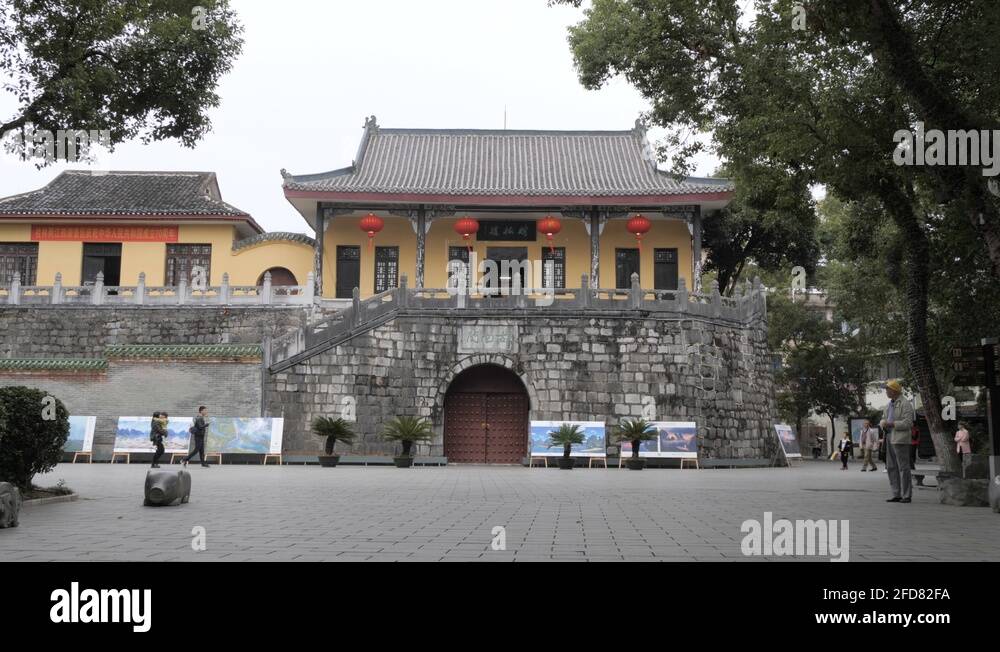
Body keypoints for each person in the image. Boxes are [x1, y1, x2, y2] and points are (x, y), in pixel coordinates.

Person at [881, 380, 916, 503]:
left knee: (903, 467)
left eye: (887, 389)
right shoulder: (888, 405)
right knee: (891, 467)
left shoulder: (905, 404)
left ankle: (906, 495)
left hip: (900, 439)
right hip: (889, 437)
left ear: (894, 390)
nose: (886, 391)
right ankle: (896, 494)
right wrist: (883, 424)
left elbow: (908, 423)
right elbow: (883, 419)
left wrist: (892, 424)